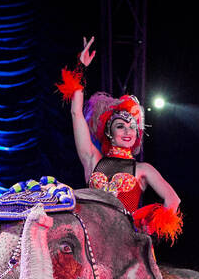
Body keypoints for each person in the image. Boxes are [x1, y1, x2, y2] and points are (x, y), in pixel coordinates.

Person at [56, 36, 183, 242]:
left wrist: (148, 228)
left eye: (132, 127)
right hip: (92, 241)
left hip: (125, 244)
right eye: (120, 126)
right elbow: (76, 114)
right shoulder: (93, 160)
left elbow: (173, 199)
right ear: (109, 133)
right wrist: (80, 67)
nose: (127, 131)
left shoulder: (143, 169)